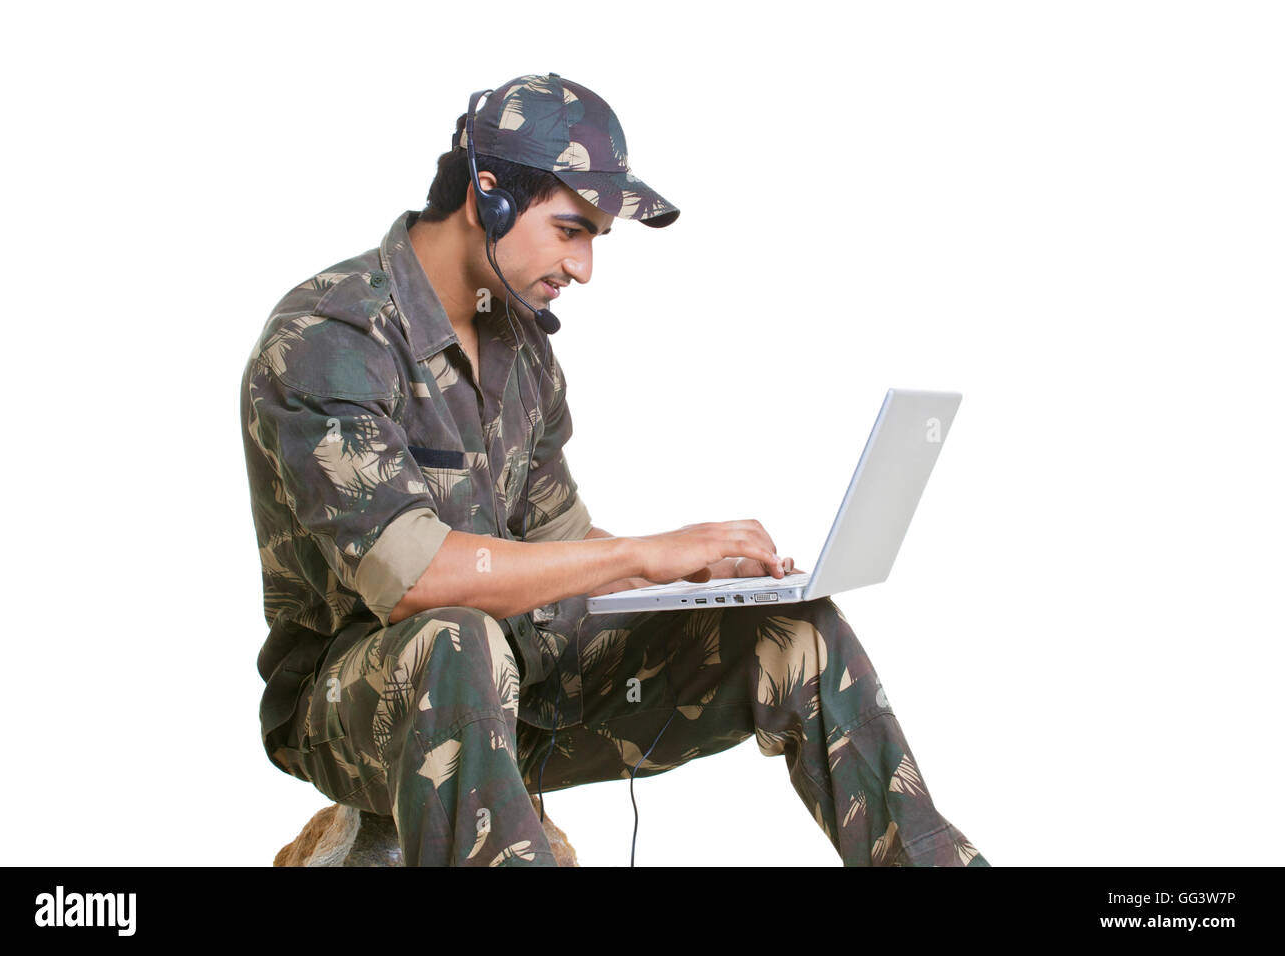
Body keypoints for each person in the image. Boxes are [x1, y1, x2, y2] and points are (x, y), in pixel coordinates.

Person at [240, 72, 989, 867]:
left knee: (792, 631)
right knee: (456, 642)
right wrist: (641, 552)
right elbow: (414, 580)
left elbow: (560, 543)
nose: (586, 265)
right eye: (570, 229)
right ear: (486, 194)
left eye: (594, 235)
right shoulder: (330, 336)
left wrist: (701, 583)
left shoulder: (518, 343)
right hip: (355, 707)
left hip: (519, 683)